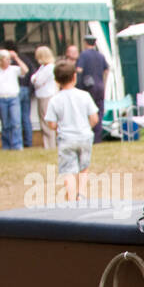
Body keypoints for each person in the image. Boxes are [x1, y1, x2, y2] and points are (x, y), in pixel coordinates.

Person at [43, 57, 99, 202]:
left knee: (68, 170)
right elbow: (94, 118)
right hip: (85, 136)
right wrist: (86, 127)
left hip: (66, 138)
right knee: (84, 167)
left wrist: (58, 126)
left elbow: (51, 123)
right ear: (75, 76)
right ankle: (81, 194)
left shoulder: (55, 100)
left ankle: (72, 197)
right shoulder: (84, 96)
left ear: (56, 80)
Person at [0, 49, 23, 150]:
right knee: (5, 123)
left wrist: (16, 58)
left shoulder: (14, 69)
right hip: (1, 98)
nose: (8, 61)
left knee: (16, 122)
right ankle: (6, 145)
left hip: (13, 97)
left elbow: (25, 70)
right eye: (6, 59)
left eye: (9, 59)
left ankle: (17, 145)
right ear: (0, 60)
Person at [75, 36, 109, 143]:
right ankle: (97, 138)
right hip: (100, 86)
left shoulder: (84, 55)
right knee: (99, 111)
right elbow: (106, 70)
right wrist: (103, 82)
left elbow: (79, 69)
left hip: (88, 87)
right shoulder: (100, 55)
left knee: (87, 111)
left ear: (85, 43)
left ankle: (87, 136)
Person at [3, 40, 34, 148]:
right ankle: (28, 142)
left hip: (14, 90)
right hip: (26, 88)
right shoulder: (24, 58)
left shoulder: (7, 61)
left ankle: (15, 141)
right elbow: (31, 72)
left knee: (14, 118)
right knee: (25, 116)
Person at [30, 45, 58, 149]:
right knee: (43, 120)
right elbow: (34, 78)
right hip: (42, 95)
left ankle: (50, 145)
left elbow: (38, 81)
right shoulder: (43, 67)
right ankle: (47, 143)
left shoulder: (49, 68)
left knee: (47, 121)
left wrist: (35, 79)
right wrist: (35, 79)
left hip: (46, 96)